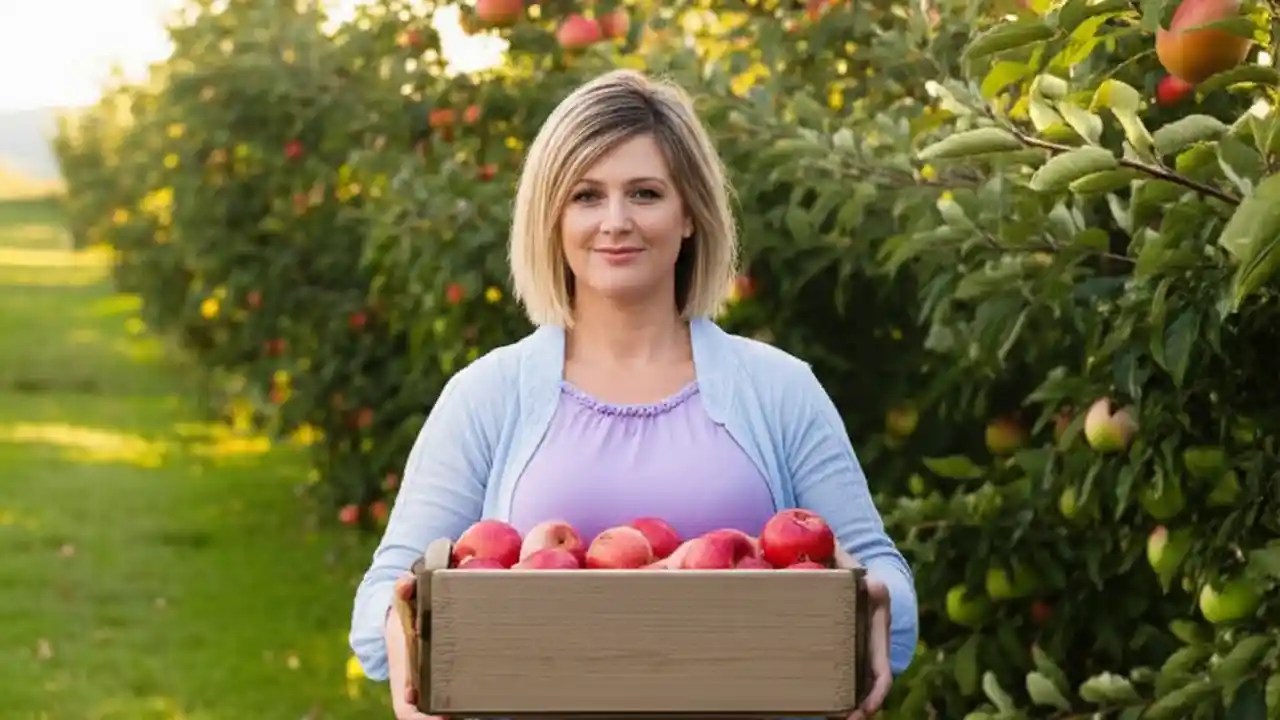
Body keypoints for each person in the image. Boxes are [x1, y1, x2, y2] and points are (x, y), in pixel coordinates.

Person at [348, 68, 918, 720]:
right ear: (552, 219)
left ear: (690, 215)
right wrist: (403, 630)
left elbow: (883, 580)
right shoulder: (488, 396)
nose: (615, 222)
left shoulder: (778, 390)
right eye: (586, 196)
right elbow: (381, 600)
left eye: (645, 193)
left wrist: (874, 601)